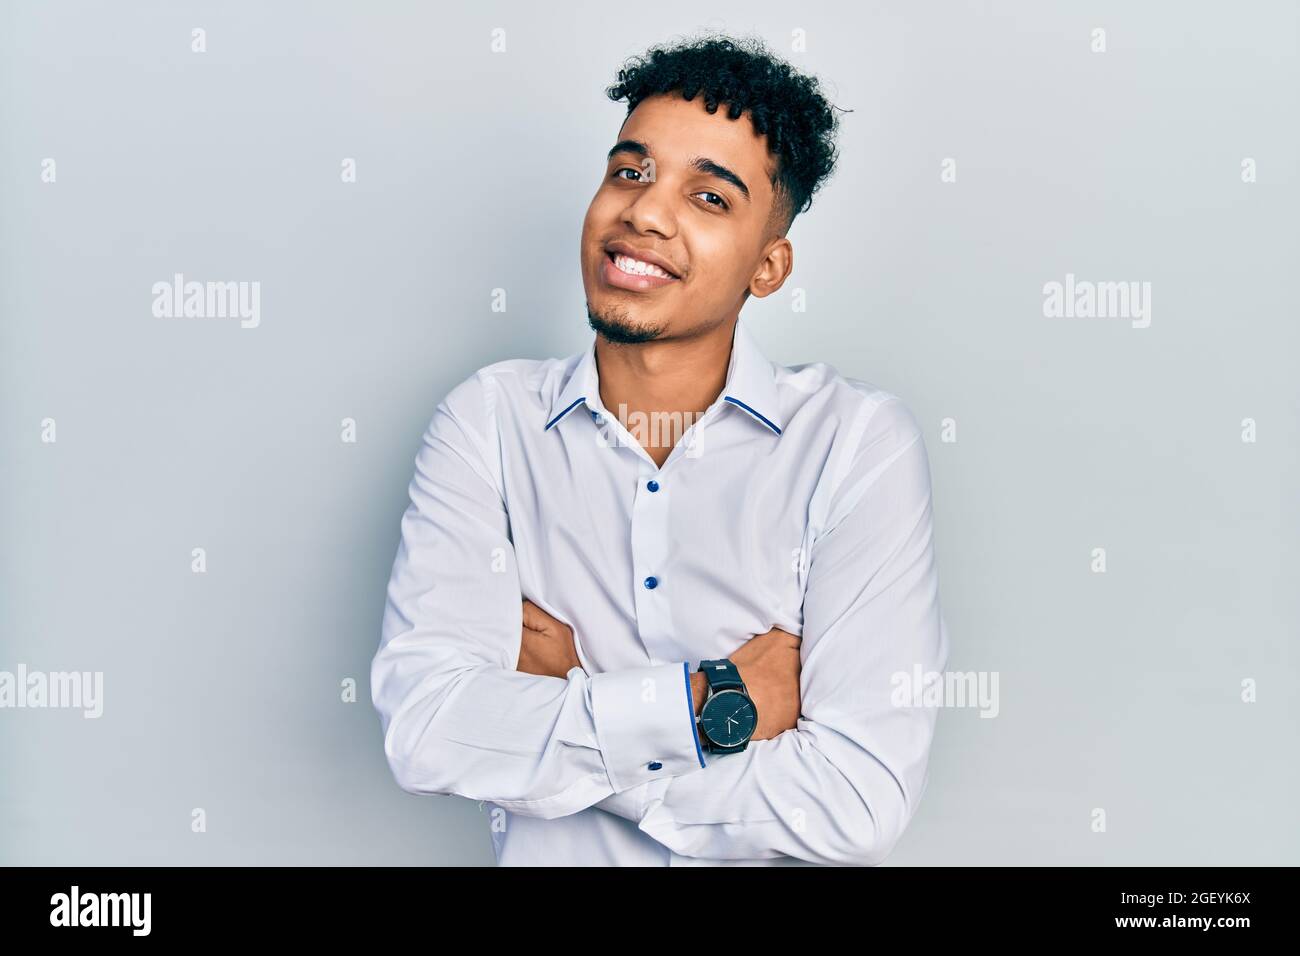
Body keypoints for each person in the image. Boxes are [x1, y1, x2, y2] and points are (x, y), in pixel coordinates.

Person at [371, 33, 950, 866]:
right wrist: (716, 706)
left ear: (768, 267)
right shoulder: (489, 424)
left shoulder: (854, 445)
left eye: (710, 199)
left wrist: (573, 708)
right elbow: (427, 729)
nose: (643, 213)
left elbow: (856, 801)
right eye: (629, 172)